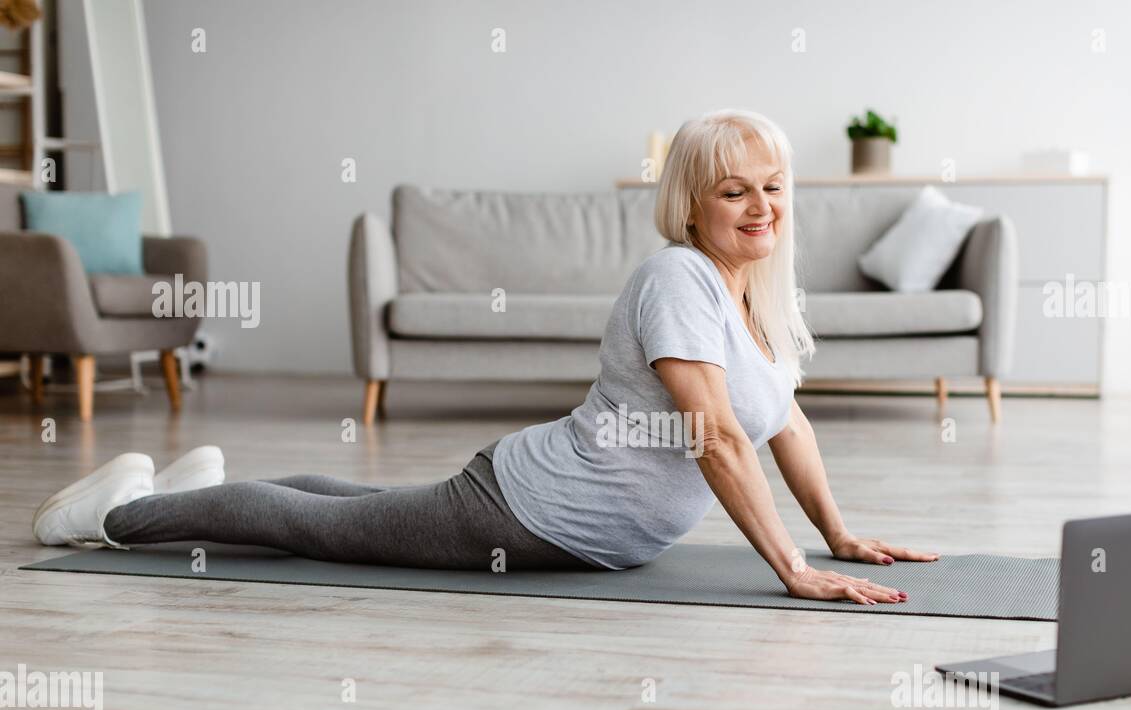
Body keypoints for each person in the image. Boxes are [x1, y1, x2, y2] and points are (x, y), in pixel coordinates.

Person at [33, 109, 938, 605]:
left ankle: (188, 491)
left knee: (360, 506)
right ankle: (115, 517)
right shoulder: (678, 277)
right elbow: (716, 436)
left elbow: (784, 423)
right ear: (692, 206)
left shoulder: (762, 300)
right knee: (324, 530)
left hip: (565, 518)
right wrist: (792, 569)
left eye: (773, 188)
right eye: (733, 190)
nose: (760, 206)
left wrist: (839, 535)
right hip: (529, 512)